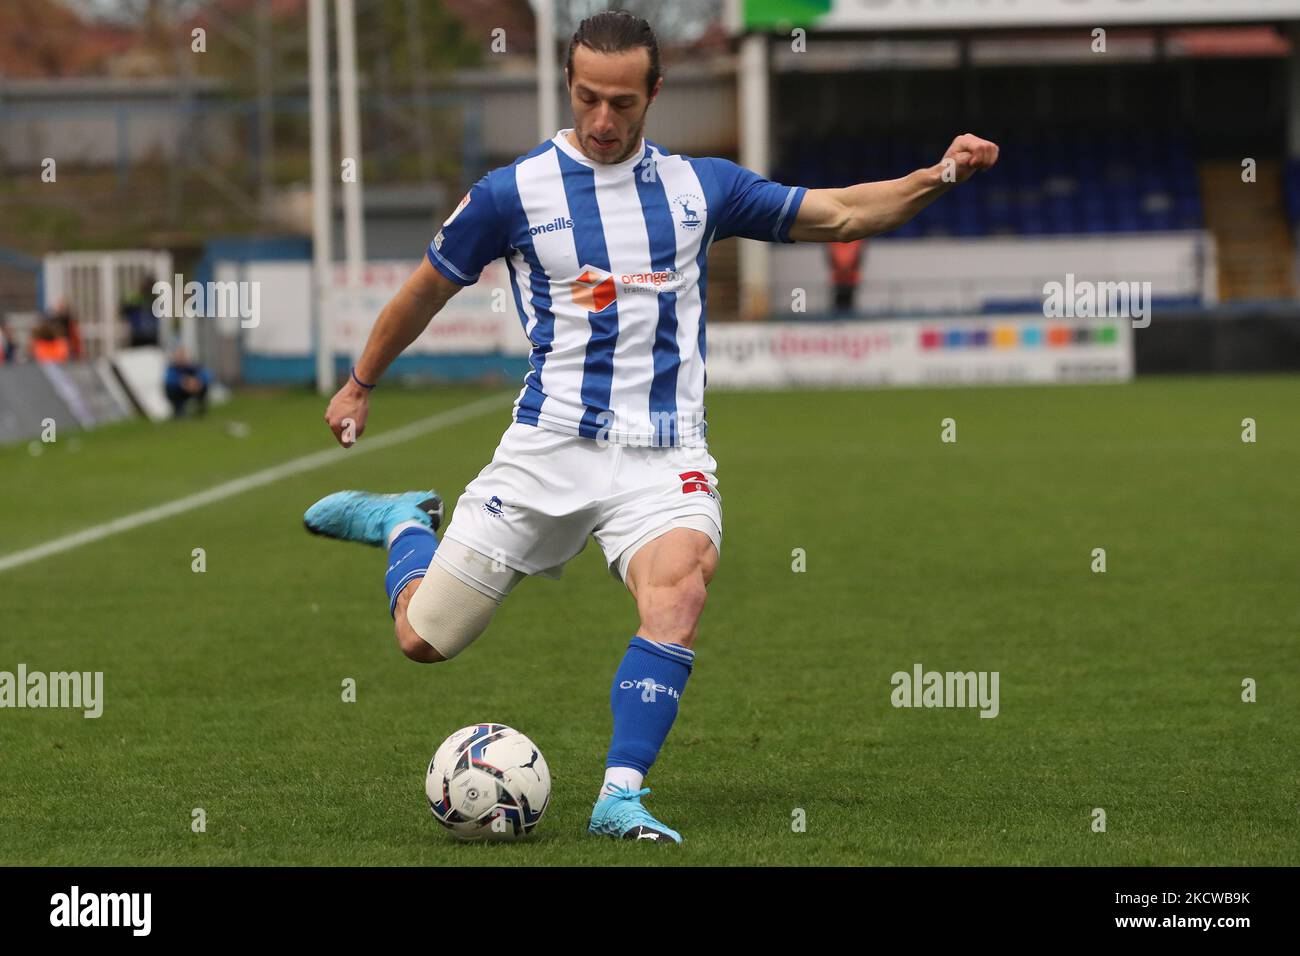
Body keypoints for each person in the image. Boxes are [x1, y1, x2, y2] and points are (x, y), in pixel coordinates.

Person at [303, 10, 998, 843]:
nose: (604, 121)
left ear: (655, 94)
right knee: (423, 640)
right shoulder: (510, 193)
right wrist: (359, 382)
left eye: (624, 104)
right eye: (590, 99)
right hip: (548, 447)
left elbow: (844, 213)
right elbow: (425, 288)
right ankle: (404, 525)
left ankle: (618, 795)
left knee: (681, 587)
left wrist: (941, 176)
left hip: (665, 455)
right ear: (569, 87)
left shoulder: (701, 187)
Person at [164, 347, 211, 417]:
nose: (180, 358)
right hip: (180, 391)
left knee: (205, 386)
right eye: (178, 356)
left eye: (182, 356)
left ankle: (200, 410)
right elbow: (168, 380)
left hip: (195, 388)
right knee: (170, 389)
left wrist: (197, 381)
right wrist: (184, 383)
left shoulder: (194, 367)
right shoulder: (172, 368)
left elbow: (208, 375)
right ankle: (179, 411)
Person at [827, 238, 866, 316]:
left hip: (851, 277)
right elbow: (830, 256)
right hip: (838, 277)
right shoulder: (834, 239)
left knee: (849, 301)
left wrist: (848, 268)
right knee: (838, 302)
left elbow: (859, 256)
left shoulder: (857, 239)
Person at [122, 276, 160, 348]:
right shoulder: (134, 298)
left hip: (152, 335)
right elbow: (124, 311)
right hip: (137, 335)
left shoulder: (154, 299)